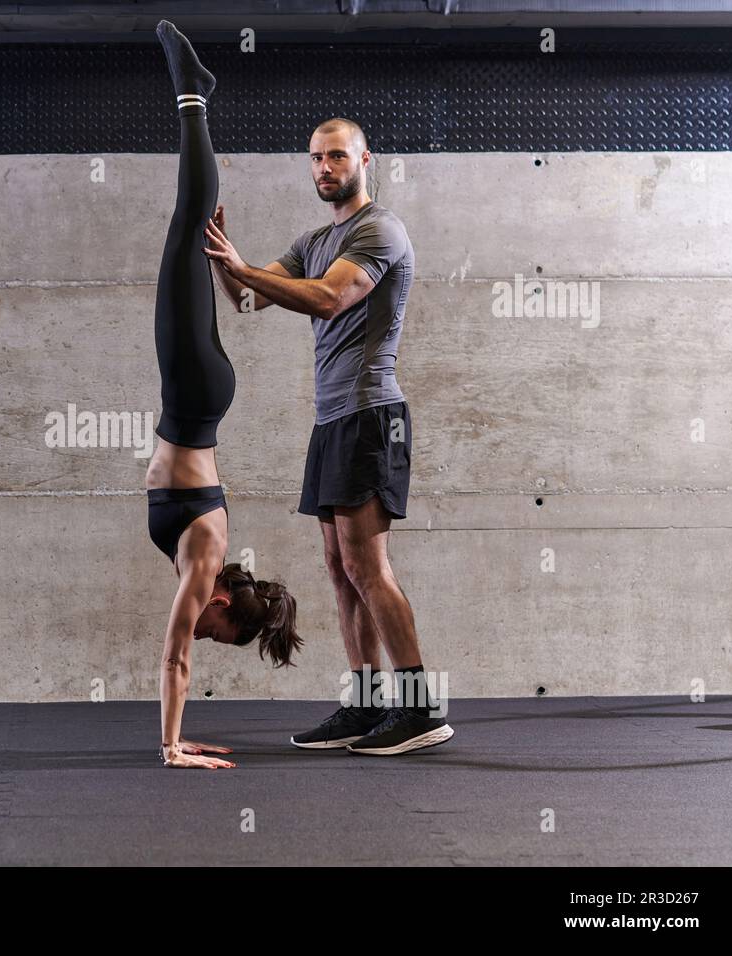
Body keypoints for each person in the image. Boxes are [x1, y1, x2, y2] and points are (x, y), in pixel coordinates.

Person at [203, 117, 454, 756]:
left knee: (368, 566)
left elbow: (322, 299)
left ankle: (420, 708)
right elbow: (248, 300)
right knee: (341, 571)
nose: (323, 168)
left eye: (336, 156)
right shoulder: (316, 239)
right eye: (315, 159)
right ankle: (367, 706)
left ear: (364, 159)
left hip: (372, 414)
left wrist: (244, 269)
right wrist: (220, 258)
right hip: (332, 421)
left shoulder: (379, 231)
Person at [147, 21, 302, 770]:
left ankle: (196, 96)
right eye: (219, 632)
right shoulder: (205, 559)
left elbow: (185, 651)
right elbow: (176, 656)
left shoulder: (206, 564)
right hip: (193, 390)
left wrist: (182, 735)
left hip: (198, 394)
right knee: (186, 230)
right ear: (220, 607)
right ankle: (191, 93)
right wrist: (172, 747)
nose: (205, 636)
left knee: (195, 234)